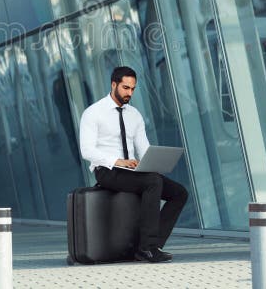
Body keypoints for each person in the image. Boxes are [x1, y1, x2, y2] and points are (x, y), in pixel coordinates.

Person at [79, 66, 188, 263]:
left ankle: (153, 244)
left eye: (133, 89)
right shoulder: (93, 113)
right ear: (114, 84)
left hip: (132, 171)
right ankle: (147, 248)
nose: (129, 93)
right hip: (107, 171)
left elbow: (143, 147)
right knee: (153, 182)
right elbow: (87, 150)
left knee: (179, 193)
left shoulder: (134, 115)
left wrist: (154, 160)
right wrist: (117, 161)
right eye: (125, 88)